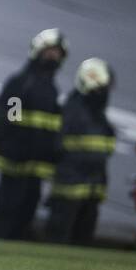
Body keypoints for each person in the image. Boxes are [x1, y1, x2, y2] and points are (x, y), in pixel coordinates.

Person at [0, 28, 66, 240]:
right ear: (38, 52)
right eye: (50, 52)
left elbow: (52, 129)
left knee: (26, 215)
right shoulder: (21, 84)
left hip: (36, 169)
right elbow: (4, 121)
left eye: (57, 53)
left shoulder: (50, 89)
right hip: (15, 165)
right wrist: (5, 152)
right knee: (5, 214)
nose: (54, 57)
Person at [47, 58, 116, 245]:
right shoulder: (73, 112)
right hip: (69, 192)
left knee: (82, 242)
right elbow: (57, 147)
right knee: (59, 240)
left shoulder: (97, 116)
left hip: (91, 191)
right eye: (104, 87)